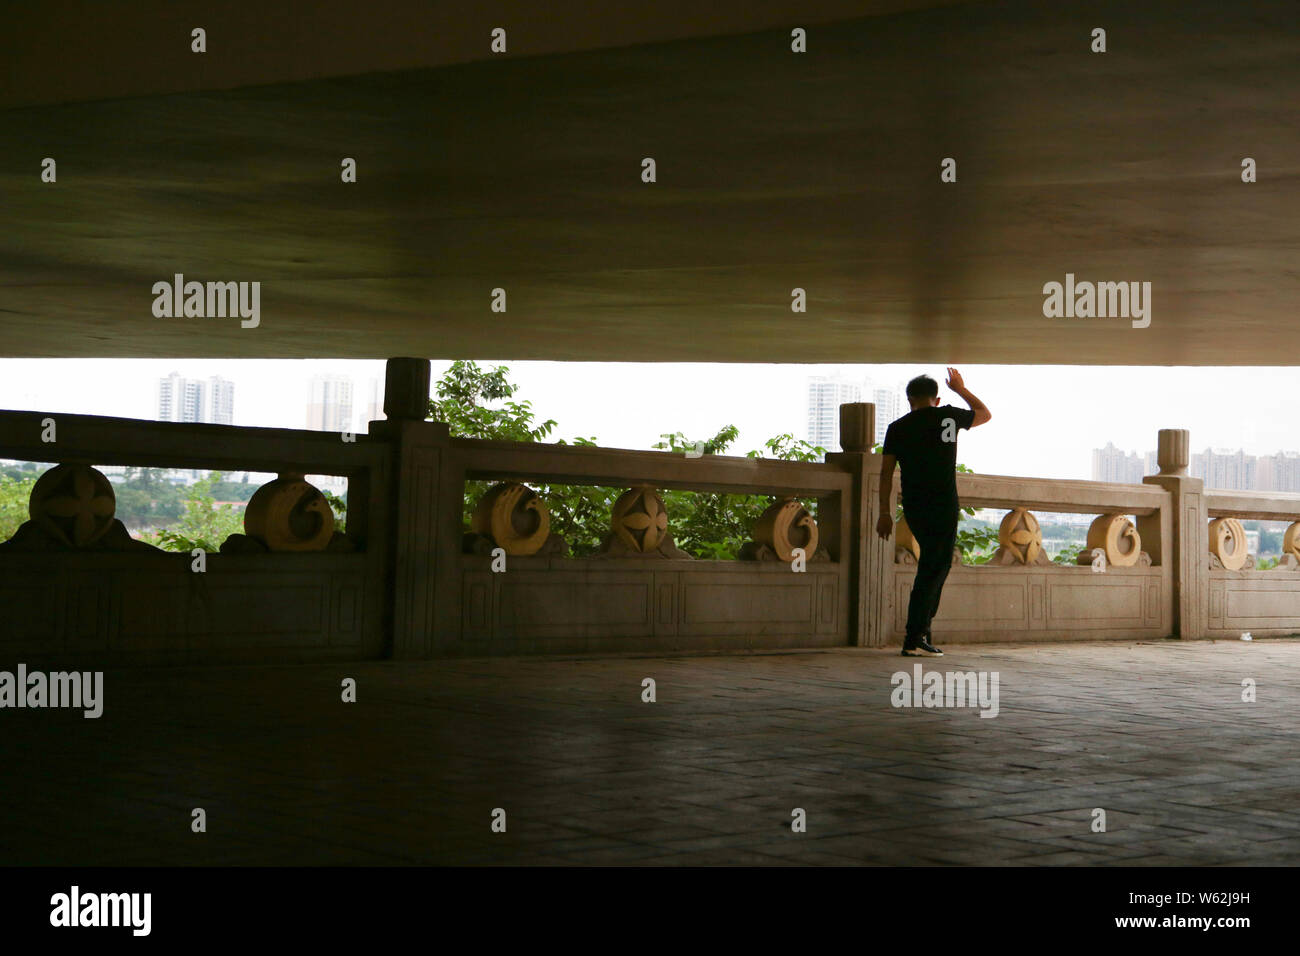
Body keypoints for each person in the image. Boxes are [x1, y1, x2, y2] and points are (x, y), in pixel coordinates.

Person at [876, 368, 991, 656]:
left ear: (909, 399)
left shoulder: (898, 427)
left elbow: (885, 474)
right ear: (936, 399)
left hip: (915, 506)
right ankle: (914, 636)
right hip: (943, 505)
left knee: (933, 566)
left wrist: (884, 513)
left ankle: (919, 633)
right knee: (934, 568)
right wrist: (960, 389)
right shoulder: (948, 417)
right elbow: (984, 414)